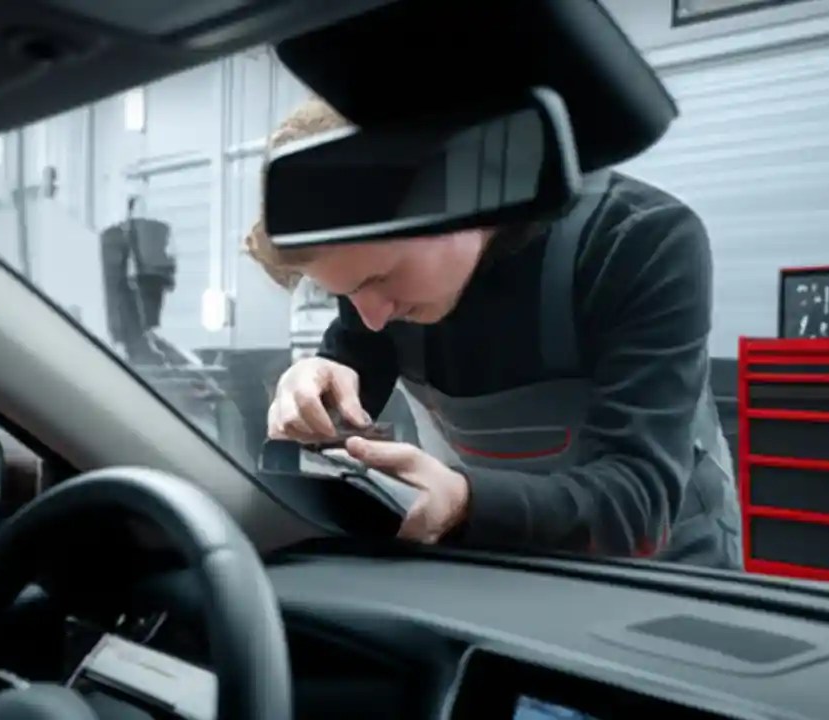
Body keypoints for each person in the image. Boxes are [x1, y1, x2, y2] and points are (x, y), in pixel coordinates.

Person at [246, 97, 742, 569]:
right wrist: (313, 396)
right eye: (347, 292)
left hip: (666, 574)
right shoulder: (378, 283)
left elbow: (636, 504)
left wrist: (466, 501)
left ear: (460, 195)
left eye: (378, 279)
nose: (371, 317)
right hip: (502, 556)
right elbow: (352, 367)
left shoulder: (638, 242)